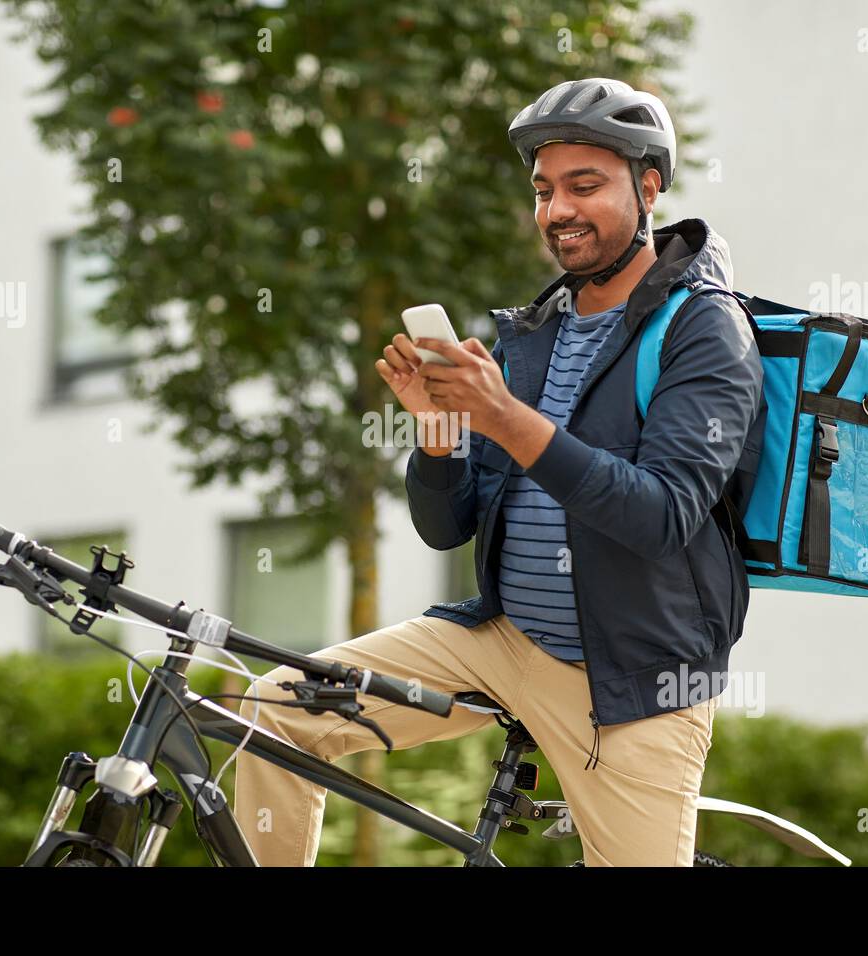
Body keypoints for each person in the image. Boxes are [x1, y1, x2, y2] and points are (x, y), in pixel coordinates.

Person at [234, 77, 765, 866]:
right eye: (545, 190)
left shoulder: (706, 329)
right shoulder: (533, 332)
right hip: (501, 640)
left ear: (648, 187)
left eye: (585, 186)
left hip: (632, 679)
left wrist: (506, 417)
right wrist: (444, 436)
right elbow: (448, 525)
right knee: (276, 710)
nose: (558, 211)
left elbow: (660, 515)